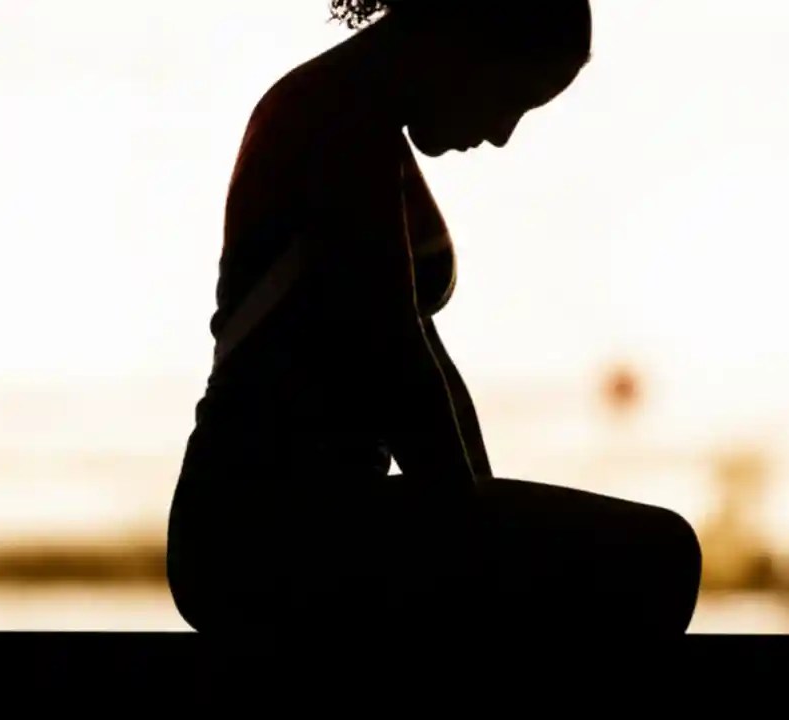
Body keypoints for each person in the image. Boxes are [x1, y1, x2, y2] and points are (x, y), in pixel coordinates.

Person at [166, 0, 702, 636]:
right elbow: (394, 361)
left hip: (301, 517)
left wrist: (480, 502)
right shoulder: (335, 122)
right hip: (263, 532)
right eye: (511, 96)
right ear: (460, 36)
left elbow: (423, 358)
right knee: (658, 556)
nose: (503, 132)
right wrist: (475, 532)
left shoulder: (356, 120)